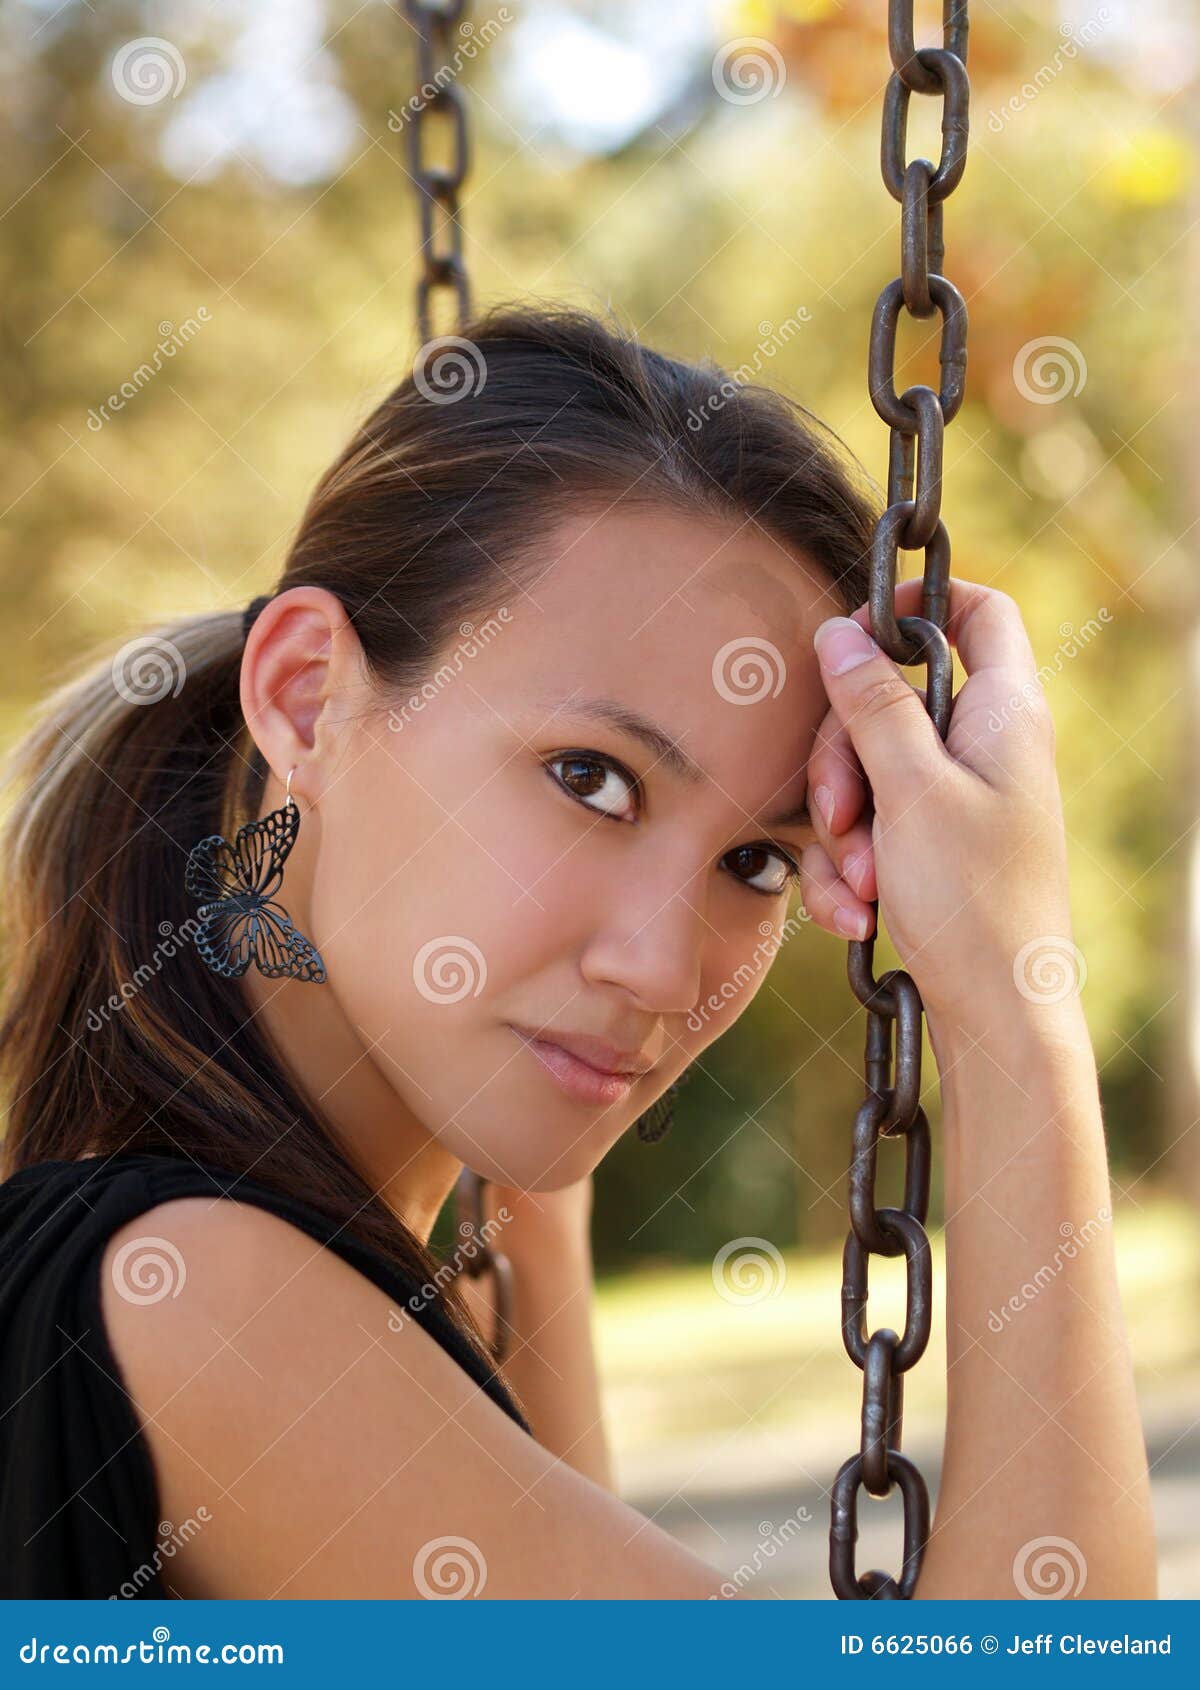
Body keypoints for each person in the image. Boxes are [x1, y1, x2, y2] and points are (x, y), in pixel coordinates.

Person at [0, 302, 1155, 1600]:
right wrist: (1012, 992)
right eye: (591, 779)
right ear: (306, 694)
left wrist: (530, 1212)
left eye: (759, 859)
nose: (665, 970)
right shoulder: (193, 1293)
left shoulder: (269, 1266)